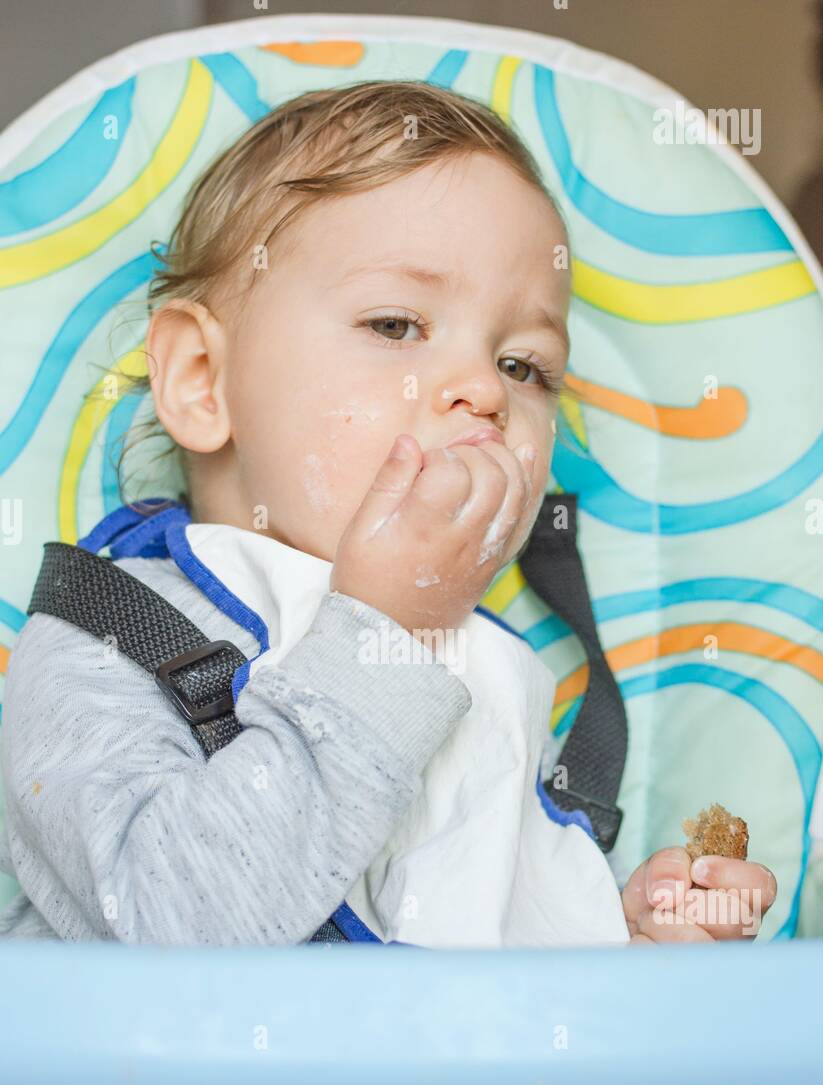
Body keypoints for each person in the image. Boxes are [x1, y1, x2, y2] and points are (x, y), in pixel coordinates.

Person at [0, 80, 777, 947]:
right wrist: (384, 637)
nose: (483, 390)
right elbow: (171, 932)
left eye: (523, 366)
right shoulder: (107, 636)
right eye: (397, 324)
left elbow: (482, 959)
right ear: (200, 380)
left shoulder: (482, 660)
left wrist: (617, 940)